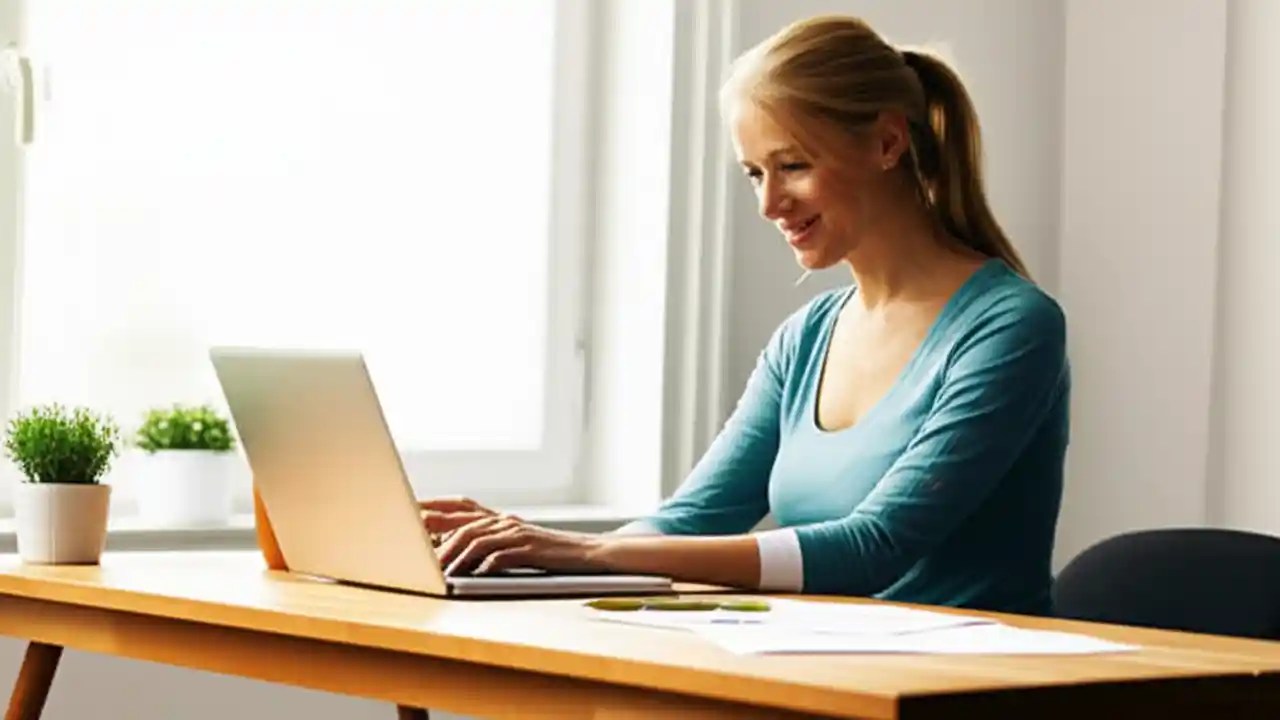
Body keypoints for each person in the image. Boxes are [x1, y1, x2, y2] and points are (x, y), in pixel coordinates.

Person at [419, 14, 1070, 615]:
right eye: (755, 173)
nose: (770, 204)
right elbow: (692, 518)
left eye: (793, 166)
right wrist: (517, 557)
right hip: (821, 671)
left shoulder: (1010, 327)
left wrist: (584, 551)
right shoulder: (807, 338)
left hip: (957, 691)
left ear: (888, 142)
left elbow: (874, 547)